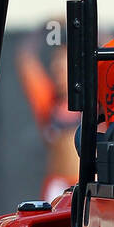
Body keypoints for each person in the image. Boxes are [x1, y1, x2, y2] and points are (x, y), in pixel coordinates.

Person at [15, 27, 80, 200]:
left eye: (64, 68)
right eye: (55, 68)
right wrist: (44, 27)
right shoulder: (49, 103)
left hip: (86, 182)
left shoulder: (94, 102)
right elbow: (25, 59)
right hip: (56, 186)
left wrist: (92, 26)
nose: (59, 73)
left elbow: (108, 52)